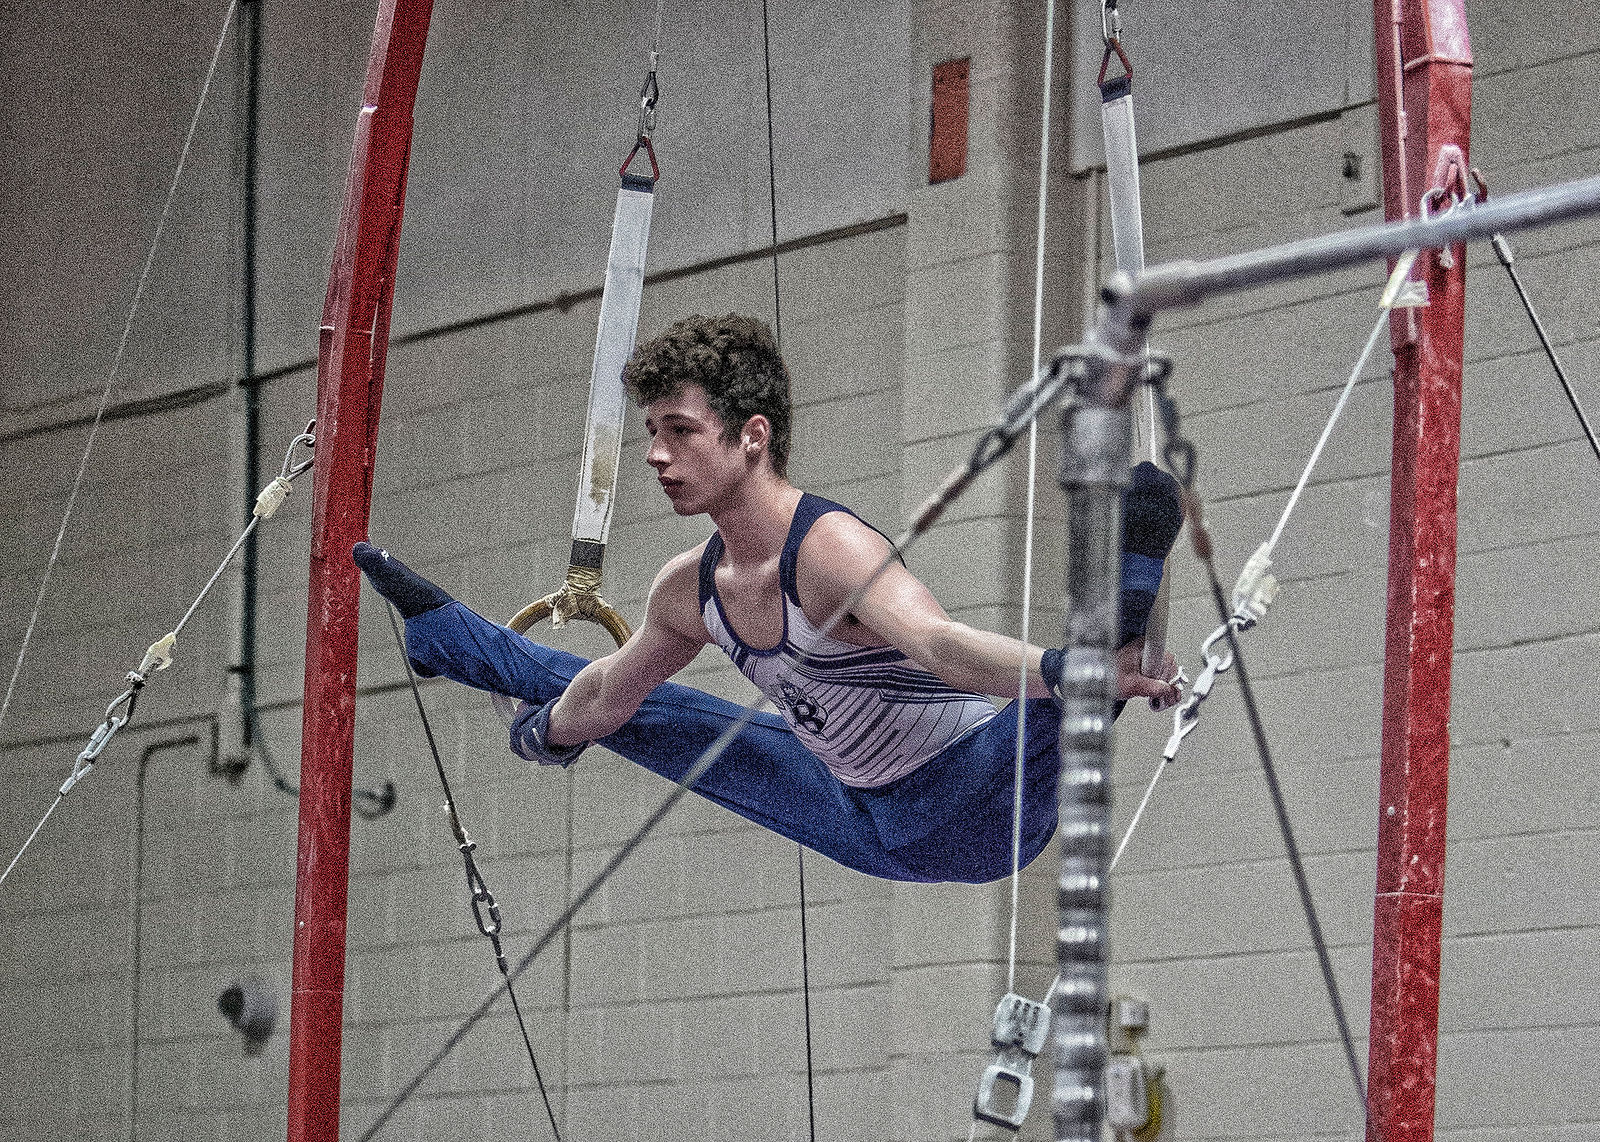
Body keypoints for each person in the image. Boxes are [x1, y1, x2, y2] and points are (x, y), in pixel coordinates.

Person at [356, 314, 1181, 884]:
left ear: (752, 436)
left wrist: (1073, 671)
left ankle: (1122, 599)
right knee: (666, 712)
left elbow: (939, 647)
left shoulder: (831, 553)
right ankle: (448, 639)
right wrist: (546, 736)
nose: (654, 454)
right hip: (861, 816)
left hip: (970, 795)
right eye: (651, 432)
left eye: (679, 430)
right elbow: (612, 692)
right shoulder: (687, 589)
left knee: (1059, 697)